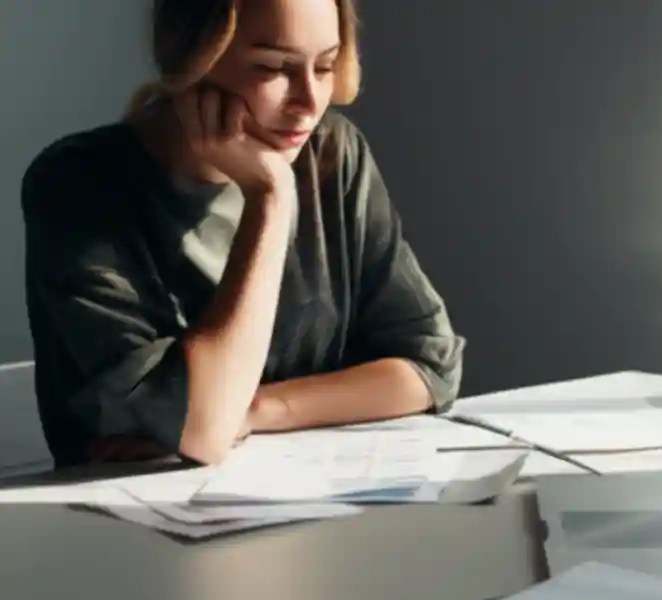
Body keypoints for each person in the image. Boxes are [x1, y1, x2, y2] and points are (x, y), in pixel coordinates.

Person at [21, 0, 464, 468]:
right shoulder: (76, 186)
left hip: (303, 504)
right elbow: (205, 431)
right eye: (274, 68)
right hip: (115, 527)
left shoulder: (333, 156)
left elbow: (429, 367)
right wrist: (269, 199)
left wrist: (255, 410)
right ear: (193, 61)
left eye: (326, 66)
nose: (310, 102)